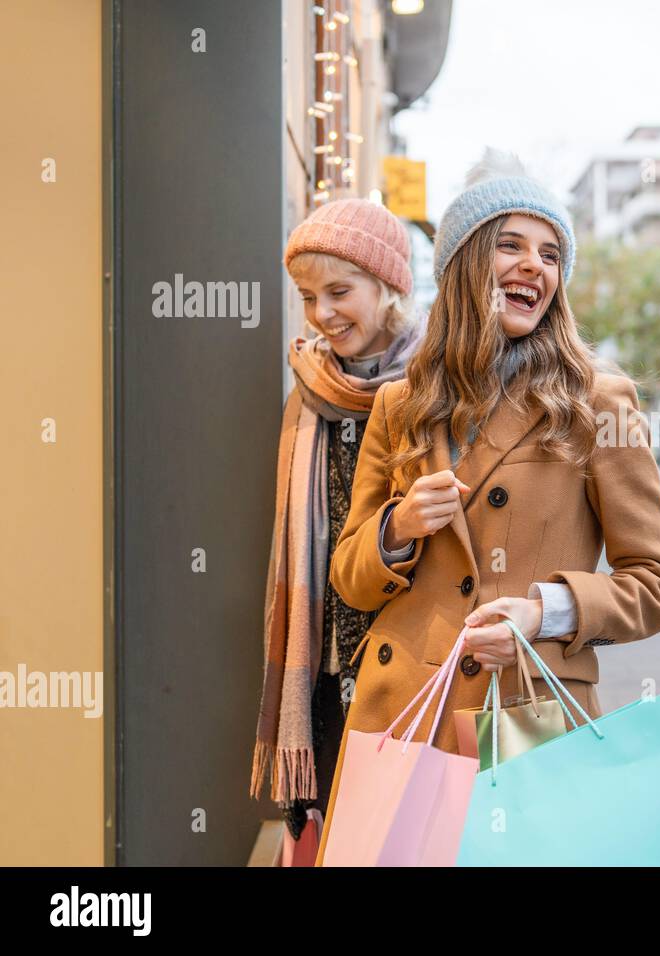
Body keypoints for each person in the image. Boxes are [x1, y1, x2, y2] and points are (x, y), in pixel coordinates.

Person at [311, 150, 660, 864]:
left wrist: (544, 612)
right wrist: (397, 529)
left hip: (527, 716)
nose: (534, 266)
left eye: (550, 253)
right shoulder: (402, 404)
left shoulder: (595, 403)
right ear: (463, 265)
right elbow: (349, 578)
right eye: (510, 244)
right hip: (404, 716)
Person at [250, 199, 422, 861]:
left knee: (404, 826)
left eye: (340, 291)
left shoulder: (434, 386)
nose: (323, 314)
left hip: (405, 643)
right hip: (323, 652)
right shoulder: (308, 387)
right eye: (308, 297)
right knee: (332, 828)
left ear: (389, 289)